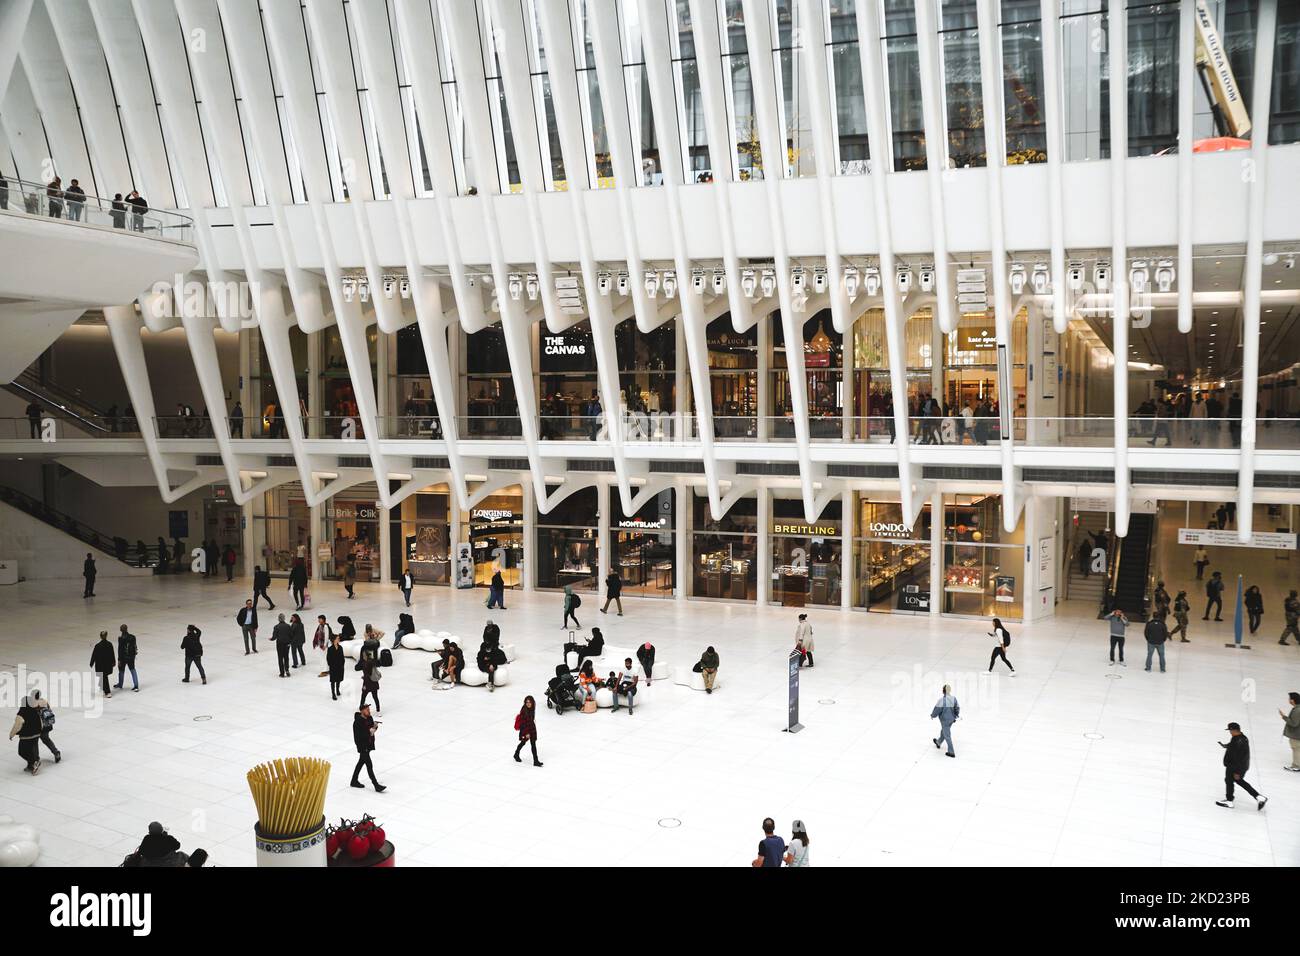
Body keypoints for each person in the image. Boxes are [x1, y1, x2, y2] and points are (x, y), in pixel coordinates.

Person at [1216, 722, 1266, 810]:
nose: (1230, 732)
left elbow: (1239, 757)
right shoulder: (1241, 738)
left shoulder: (1238, 741)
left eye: (1230, 730)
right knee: (1236, 781)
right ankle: (1259, 797)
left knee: (1230, 781)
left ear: (1233, 730)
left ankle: (1229, 801)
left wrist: (1237, 772)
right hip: (1239, 766)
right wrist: (1226, 746)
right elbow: (1235, 747)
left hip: (1234, 766)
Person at [350, 703, 385, 791]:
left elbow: (371, 730)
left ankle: (354, 781)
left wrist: (375, 727)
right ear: (362, 711)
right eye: (366, 709)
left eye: (369, 709)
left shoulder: (369, 718)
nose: (368, 711)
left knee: (361, 762)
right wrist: (370, 731)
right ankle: (376, 785)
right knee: (369, 765)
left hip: (368, 744)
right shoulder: (357, 722)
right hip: (362, 746)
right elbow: (358, 736)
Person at [9, 696, 44, 775]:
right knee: (32, 750)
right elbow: (40, 720)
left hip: (27, 736)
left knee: (22, 752)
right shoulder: (35, 709)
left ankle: (34, 762)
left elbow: (17, 725)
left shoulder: (22, 712)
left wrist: (11, 734)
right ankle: (30, 766)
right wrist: (40, 730)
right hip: (37, 733)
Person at [29, 691, 60, 764]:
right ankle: (56, 752)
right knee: (46, 740)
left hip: (38, 726)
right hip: (47, 725)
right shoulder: (44, 701)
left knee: (34, 742)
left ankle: (36, 760)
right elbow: (50, 710)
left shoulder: (33, 704)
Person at [931, 684, 959, 758]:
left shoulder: (942, 700)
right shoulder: (954, 699)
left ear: (943, 691)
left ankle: (951, 752)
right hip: (951, 719)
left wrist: (932, 715)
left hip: (945, 720)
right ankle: (938, 742)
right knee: (944, 731)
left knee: (947, 735)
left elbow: (937, 710)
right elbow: (957, 708)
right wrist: (956, 716)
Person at [513, 696, 542, 766]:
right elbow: (523, 723)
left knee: (533, 744)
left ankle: (536, 761)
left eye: (529, 702)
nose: (528, 704)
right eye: (527, 702)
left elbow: (532, 718)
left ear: (532, 702)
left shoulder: (532, 708)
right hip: (526, 729)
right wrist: (527, 733)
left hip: (531, 728)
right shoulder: (524, 711)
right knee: (523, 742)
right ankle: (516, 754)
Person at [90, 631, 116, 698]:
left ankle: (107, 692)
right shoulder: (107, 644)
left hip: (103, 665)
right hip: (103, 665)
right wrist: (113, 661)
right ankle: (104, 689)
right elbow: (94, 655)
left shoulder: (99, 645)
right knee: (103, 677)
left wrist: (92, 662)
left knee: (104, 677)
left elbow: (112, 654)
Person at [114, 624, 139, 692]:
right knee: (133, 670)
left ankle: (120, 684)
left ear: (120, 630)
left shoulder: (121, 639)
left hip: (123, 658)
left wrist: (119, 659)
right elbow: (135, 646)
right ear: (127, 629)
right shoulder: (133, 637)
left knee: (121, 671)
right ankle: (136, 686)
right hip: (131, 657)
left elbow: (120, 650)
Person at [1280, 692, 1300, 773]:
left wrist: (1284, 717)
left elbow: (1294, 723)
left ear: (1292, 700)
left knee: (1296, 749)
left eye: (1289, 699)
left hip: (1296, 735)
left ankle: (1296, 766)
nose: (1288, 700)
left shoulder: (1297, 710)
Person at [327, 634, 346, 701]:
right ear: (334, 640)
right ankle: (333, 694)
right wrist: (331, 665)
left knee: (338, 679)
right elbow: (328, 659)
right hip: (333, 667)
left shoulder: (340, 647)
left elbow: (342, 657)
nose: (339, 639)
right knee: (333, 681)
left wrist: (342, 664)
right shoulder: (330, 649)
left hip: (340, 667)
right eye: (337, 638)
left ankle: (337, 690)